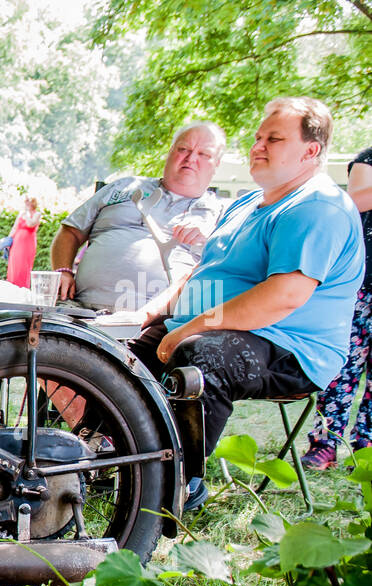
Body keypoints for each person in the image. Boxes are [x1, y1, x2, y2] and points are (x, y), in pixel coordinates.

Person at [120, 98, 364, 510]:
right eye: (257, 137)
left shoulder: (317, 206)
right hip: (219, 325)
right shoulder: (247, 202)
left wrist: (188, 328)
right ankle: (97, 457)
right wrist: (144, 316)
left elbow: (283, 296)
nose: (258, 146)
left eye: (275, 138)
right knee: (117, 355)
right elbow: (199, 274)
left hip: (290, 346)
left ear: (311, 151)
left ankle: (177, 484)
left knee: (200, 356)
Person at [51, 122, 226, 311]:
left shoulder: (221, 212)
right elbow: (70, 232)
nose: (191, 158)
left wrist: (207, 242)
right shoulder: (124, 187)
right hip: (80, 310)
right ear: (170, 151)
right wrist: (63, 271)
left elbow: (232, 269)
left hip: (158, 322)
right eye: (184, 149)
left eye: (204, 154)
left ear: (216, 164)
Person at [301, 146, 372, 469]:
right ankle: (326, 442)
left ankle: (366, 445)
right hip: (361, 284)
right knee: (343, 372)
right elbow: (356, 199)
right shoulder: (367, 158)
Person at [6, 196, 42, 287]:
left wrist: (26, 213)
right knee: (15, 263)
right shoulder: (21, 213)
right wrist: (8, 240)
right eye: (26, 202)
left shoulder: (37, 214)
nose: (27, 203)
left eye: (29, 201)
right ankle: (12, 285)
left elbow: (31, 224)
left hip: (28, 243)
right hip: (17, 242)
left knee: (24, 265)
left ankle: (23, 286)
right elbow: (15, 227)